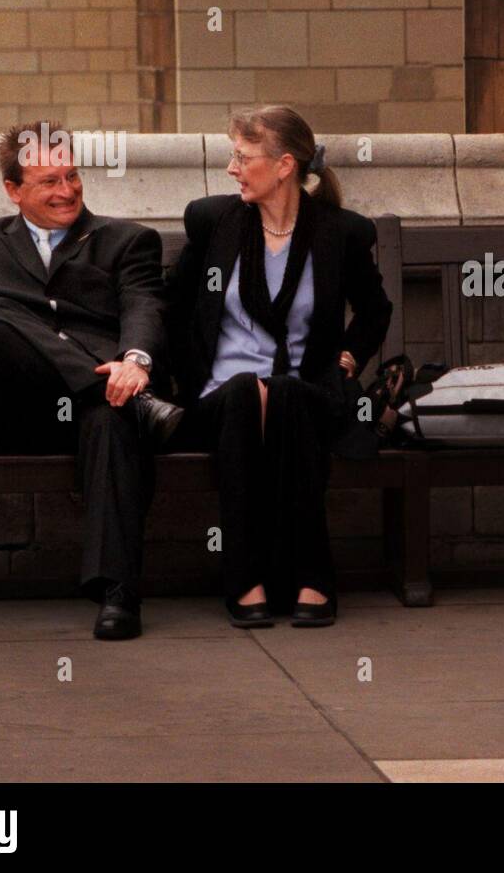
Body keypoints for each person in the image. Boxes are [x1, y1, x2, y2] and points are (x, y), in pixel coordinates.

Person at [0, 122, 183, 640]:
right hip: (13, 414)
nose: (66, 190)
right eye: (48, 181)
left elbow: (144, 307)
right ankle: (136, 406)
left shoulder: (126, 240)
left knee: (111, 416)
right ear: (13, 189)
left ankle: (118, 595)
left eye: (72, 175)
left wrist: (135, 361)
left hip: (101, 406)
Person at [164, 105, 392, 629]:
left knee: (283, 395)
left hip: (304, 394)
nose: (231, 168)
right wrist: (177, 374)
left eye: (243, 157)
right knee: (249, 392)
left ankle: (301, 575)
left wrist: (351, 355)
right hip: (220, 400)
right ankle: (254, 577)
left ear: (285, 165)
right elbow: (171, 307)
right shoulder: (213, 222)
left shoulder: (340, 235)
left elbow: (376, 311)